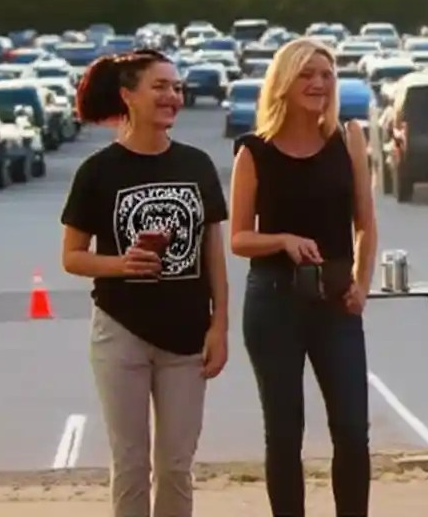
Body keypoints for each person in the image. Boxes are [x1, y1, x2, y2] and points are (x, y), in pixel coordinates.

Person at [60, 49, 229, 517]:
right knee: (131, 463)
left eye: (176, 88)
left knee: (176, 465)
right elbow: (72, 257)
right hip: (120, 333)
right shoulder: (98, 171)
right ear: (128, 96)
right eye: (160, 87)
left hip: (188, 334)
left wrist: (220, 326)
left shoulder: (195, 165)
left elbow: (212, 252)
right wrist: (121, 265)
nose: (172, 96)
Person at [229, 37, 377, 517]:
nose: (317, 83)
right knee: (285, 431)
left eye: (326, 75)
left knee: (353, 428)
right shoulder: (254, 151)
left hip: (336, 298)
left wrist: (362, 281)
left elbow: (366, 223)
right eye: (306, 74)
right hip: (273, 300)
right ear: (283, 83)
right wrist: (282, 240)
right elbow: (238, 238)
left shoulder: (349, 138)